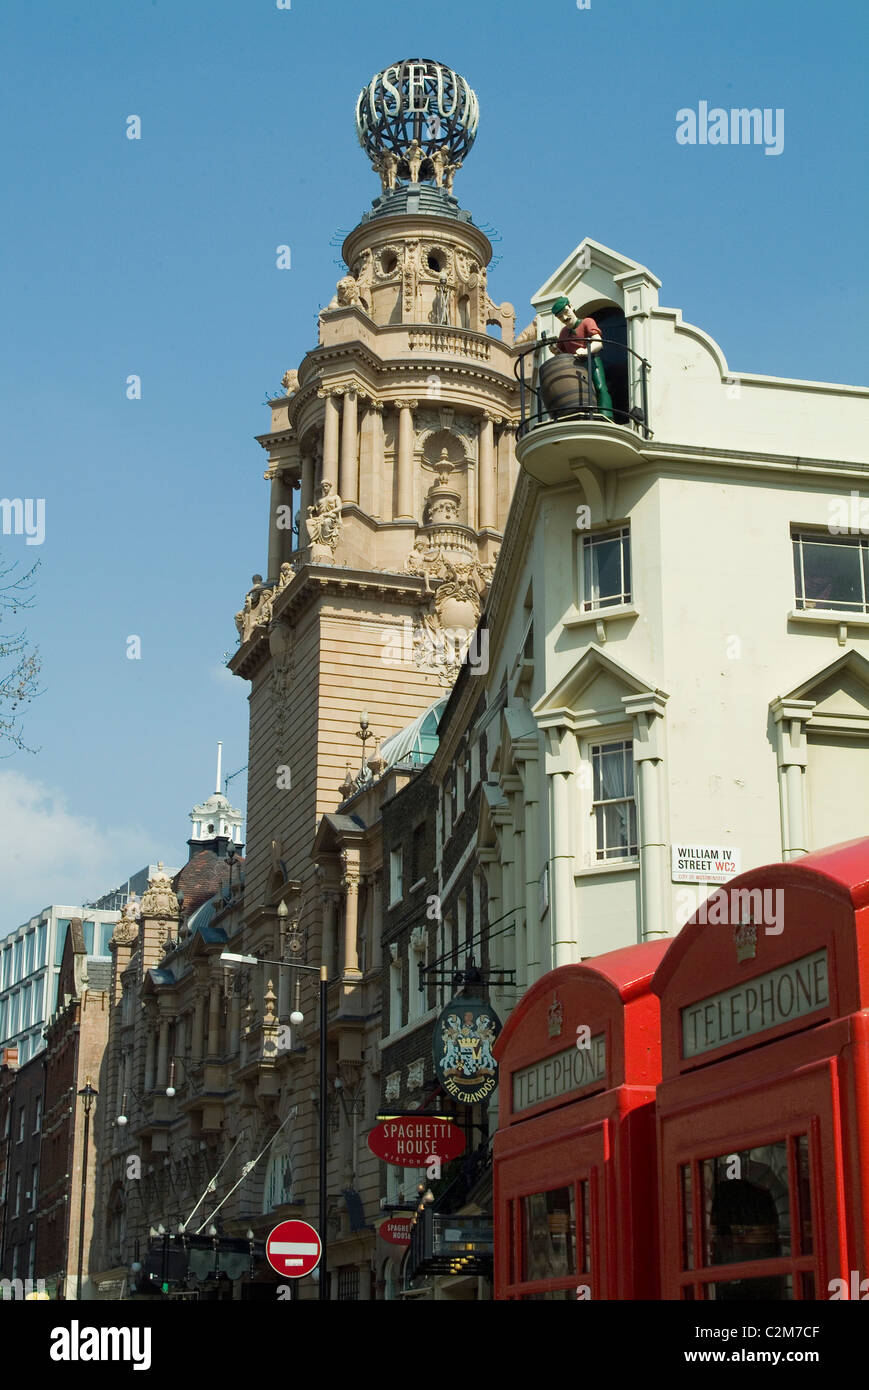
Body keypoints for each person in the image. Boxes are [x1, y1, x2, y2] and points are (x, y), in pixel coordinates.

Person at [549, 295, 613, 420]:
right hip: (574, 366)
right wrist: (555, 351)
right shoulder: (563, 333)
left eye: (566, 312)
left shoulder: (587, 322)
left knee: (599, 387)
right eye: (560, 316)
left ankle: (607, 415)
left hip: (591, 361)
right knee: (578, 392)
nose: (565, 317)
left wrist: (586, 350)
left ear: (571, 307)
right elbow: (563, 355)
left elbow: (598, 342)